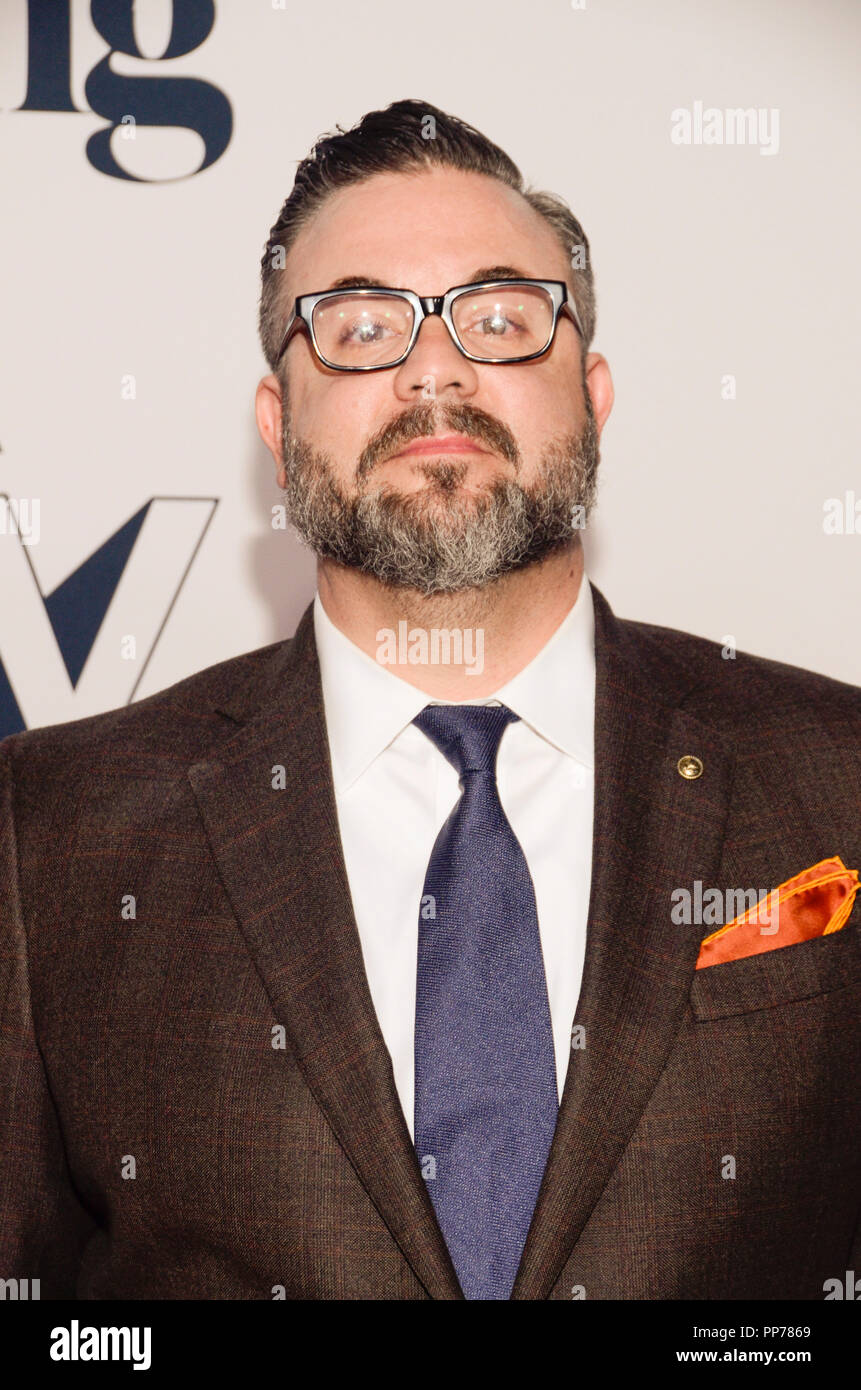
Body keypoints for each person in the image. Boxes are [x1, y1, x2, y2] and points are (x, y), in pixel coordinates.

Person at [1, 99, 859, 1302]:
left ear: (595, 397)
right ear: (277, 424)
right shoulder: (53, 829)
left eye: (502, 320)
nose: (435, 368)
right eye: (359, 328)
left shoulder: (839, 773)